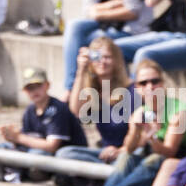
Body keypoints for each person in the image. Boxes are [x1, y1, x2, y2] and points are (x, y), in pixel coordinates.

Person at [71, 61, 186, 186]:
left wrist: (152, 137)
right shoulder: (140, 112)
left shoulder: (180, 112)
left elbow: (170, 152)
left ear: (163, 84)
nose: (150, 87)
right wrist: (137, 129)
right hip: (157, 160)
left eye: (155, 81)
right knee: (127, 157)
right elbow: (129, 148)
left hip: (181, 162)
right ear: (137, 88)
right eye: (143, 83)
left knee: (154, 159)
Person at [58, 36, 135, 168]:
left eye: (107, 57)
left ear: (116, 60)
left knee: (126, 161)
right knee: (65, 153)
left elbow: (143, 134)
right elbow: (76, 110)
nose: (102, 62)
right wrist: (81, 70)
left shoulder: (132, 90)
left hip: (128, 151)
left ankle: (103, 175)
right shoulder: (94, 92)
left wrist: (121, 150)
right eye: (97, 57)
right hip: (104, 153)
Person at [0, 67, 86, 174]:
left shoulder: (57, 108)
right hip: (42, 150)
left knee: (37, 154)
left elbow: (52, 146)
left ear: (47, 85)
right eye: (30, 88)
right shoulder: (29, 110)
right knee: (2, 147)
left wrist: (18, 137)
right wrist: (12, 137)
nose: (34, 91)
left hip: (67, 154)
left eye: (38, 86)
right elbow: (30, 139)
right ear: (25, 91)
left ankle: (28, 171)